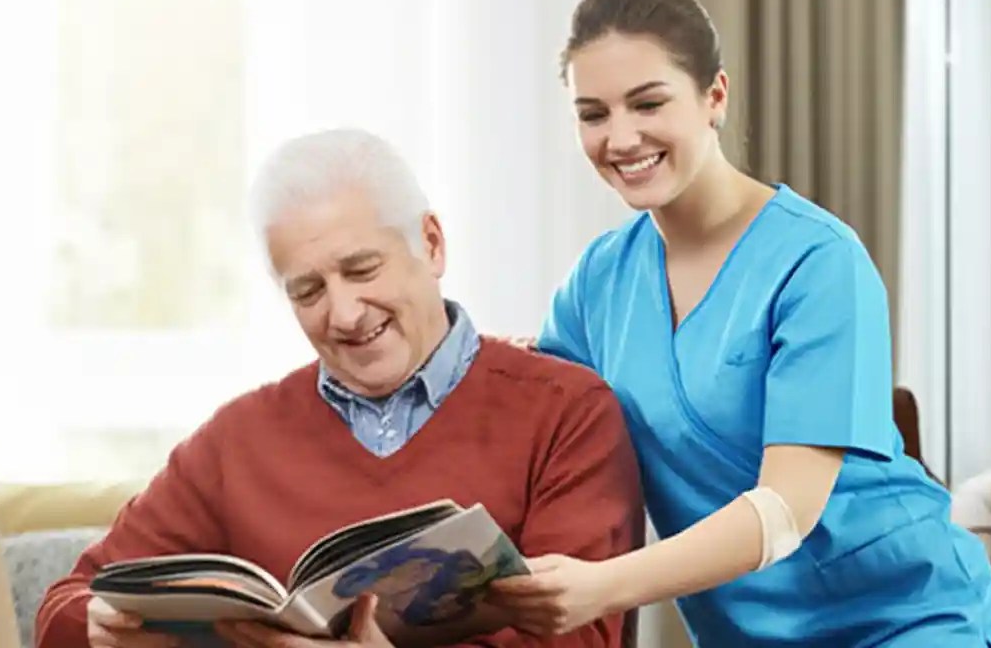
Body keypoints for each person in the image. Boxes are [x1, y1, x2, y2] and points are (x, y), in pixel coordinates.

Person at [486, 0, 991, 647]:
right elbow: (556, 426)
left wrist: (603, 585)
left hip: (911, 617)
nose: (620, 137)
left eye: (647, 103)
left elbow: (785, 512)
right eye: (593, 114)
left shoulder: (818, 261)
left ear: (715, 96)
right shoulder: (598, 282)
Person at [35, 128, 645, 648]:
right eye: (308, 291)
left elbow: (583, 638)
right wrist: (94, 625)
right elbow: (65, 603)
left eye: (362, 270)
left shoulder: (566, 411)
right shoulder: (236, 440)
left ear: (431, 244)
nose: (345, 313)